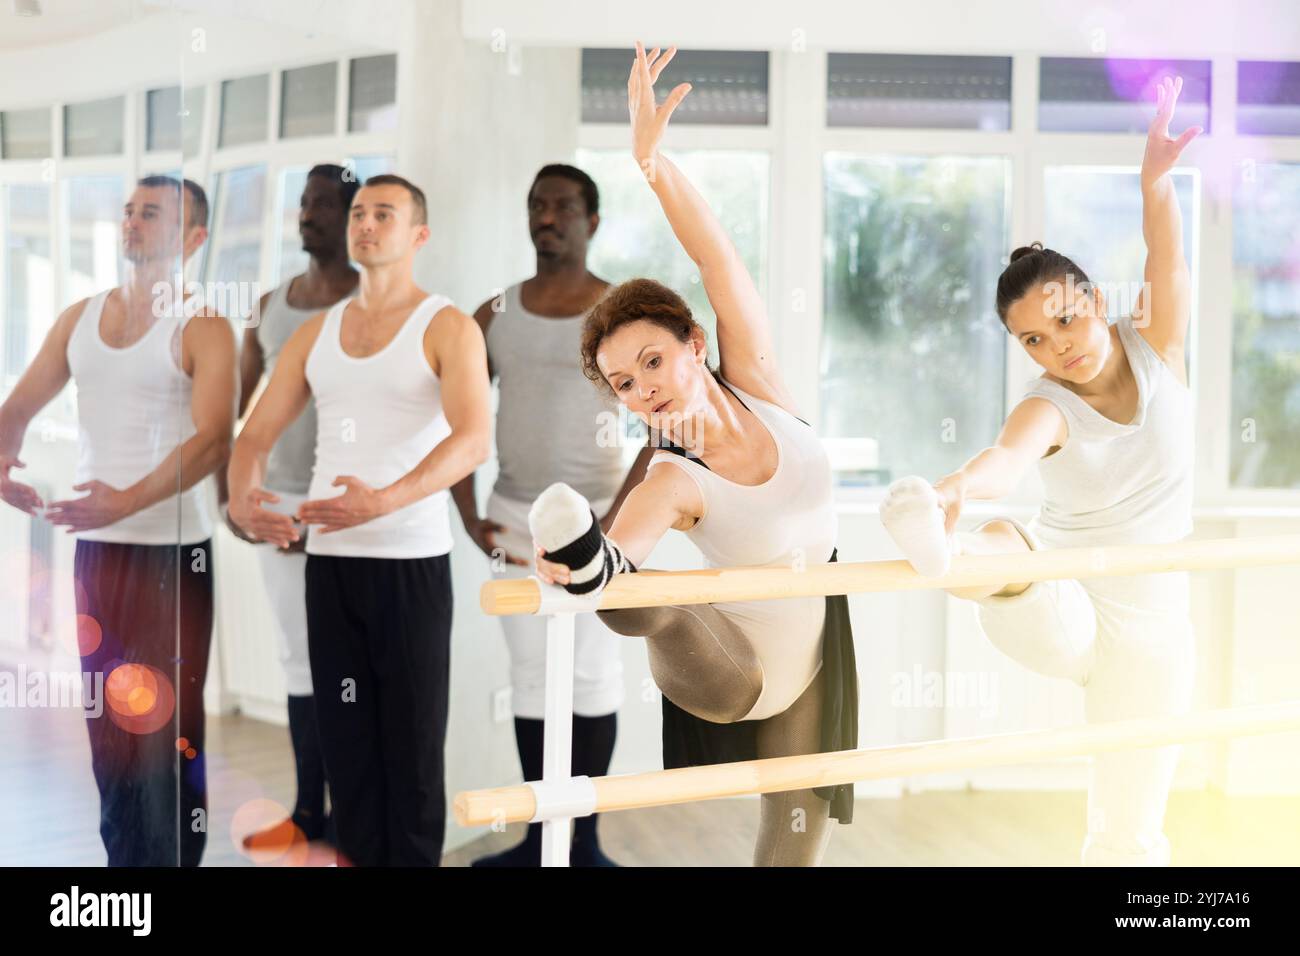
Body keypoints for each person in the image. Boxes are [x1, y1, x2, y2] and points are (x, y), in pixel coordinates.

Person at [529, 44, 857, 867]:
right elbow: (627, 545)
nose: (643, 388)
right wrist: (583, 566)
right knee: (648, 593)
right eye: (623, 385)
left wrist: (650, 163)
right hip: (726, 670)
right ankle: (584, 564)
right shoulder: (672, 479)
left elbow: (719, 259)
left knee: (792, 841)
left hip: (813, 657)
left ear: (694, 343)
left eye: (651, 362)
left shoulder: (761, 386)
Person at [879, 76, 1201, 865]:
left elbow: (1168, 251)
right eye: (1033, 340)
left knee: (1130, 829)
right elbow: (1005, 461)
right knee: (1011, 546)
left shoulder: (1155, 341)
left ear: (1095, 299)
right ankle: (942, 547)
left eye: (1065, 319)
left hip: (1156, 631)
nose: (1058, 347)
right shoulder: (1046, 405)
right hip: (1067, 598)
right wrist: (952, 488)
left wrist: (1154, 180)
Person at [227, 174, 491, 866]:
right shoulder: (316, 332)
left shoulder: (447, 326)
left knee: (410, 755)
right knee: (348, 751)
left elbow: (473, 439)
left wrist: (384, 499)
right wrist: (243, 498)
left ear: (418, 236)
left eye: (384, 214)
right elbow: (253, 436)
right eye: (359, 214)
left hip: (410, 568)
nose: (365, 224)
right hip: (331, 570)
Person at [0, 176, 235, 866]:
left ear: (193, 238)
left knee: (166, 735)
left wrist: (124, 500)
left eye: (151, 213)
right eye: (129, 210)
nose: (132, 221)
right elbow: (16, 408)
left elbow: (215, 439)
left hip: (171, 557)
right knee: (109, 731)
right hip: (97, 553)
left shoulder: (205, 325)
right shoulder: (79, 318)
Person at [454, 164, 653, 868]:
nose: (548, 215)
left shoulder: (620, 312)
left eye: (564, 205)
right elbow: (458, 420)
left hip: (598, 523)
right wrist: (467, 510)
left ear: (591, 221)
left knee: (594, 675)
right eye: (537, 203)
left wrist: (623, 518)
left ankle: (585, 844)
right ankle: (541, 841)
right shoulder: (494, 314)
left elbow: (661, 424)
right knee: (532, 676)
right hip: (512, 515)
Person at [223, 164, 361, 849]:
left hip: (350, 507)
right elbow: (239, 413)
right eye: (305, 203)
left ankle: (358, 817)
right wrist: (235, 499)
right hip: (278, 503)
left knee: (354, 666)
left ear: (354, 215)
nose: (309, 214)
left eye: (325, 204)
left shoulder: (373, 303)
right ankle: (310, 811)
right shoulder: (272, 304)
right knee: (298, 661)